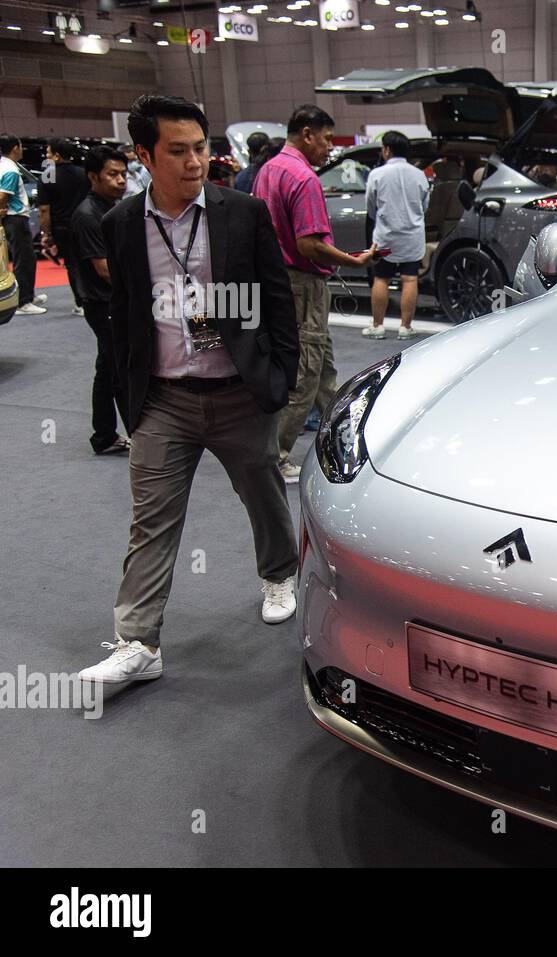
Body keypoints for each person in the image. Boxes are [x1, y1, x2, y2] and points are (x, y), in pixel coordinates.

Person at [76, 94, 300, 688]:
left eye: (200, 147)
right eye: (178, 151)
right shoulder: (121, 225)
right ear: (144, 155)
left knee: (263, 495)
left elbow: (278, 300)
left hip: (239, 392)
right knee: (150, 521)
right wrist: (132, 400)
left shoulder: (242, 213)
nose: (196, 161)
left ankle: (279, 573)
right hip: (164, 400)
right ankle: (138, 642)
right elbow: (125, 314)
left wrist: (279, 380)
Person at [254, 104, 374, 484]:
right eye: (325, 139)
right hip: (302, 285)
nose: (328, 148)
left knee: (322, 368)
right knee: (305, 370)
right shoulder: (302, 178)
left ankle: (345, 434)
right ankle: (275, 455)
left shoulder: (269, 170)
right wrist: (352, 261)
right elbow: (309, 245)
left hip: (277, 280)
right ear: (307, 133)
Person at [69, 146, 130, 456]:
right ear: (94, 176)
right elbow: (104, 269)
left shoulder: (111, 207)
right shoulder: (88, 215)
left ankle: (104, 435)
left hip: (111, 301)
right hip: (102, 303)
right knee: (120, 369)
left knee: (106, 368)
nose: (120, 180)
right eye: (112, 174)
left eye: (123, 174)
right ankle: (138, 434)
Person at [362, 131, 429, 341]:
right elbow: (424, 204)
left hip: (386, 236)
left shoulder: (377, 174)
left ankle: (377, 326)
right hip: (412, 236)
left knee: (381, 278)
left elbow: (370, 207)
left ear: (387, 150)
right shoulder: (419, 174)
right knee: (410, 279)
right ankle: (405, 327)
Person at [38, 138, 90, 316]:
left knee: (73, 265)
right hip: (85, 225)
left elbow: (44, 210)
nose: (47, 156)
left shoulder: (48, 176)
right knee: (90, 262)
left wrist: (46, 233)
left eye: (49, 153)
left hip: (63, 227)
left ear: (57, 156)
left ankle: (81, 303)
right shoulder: (84, 173)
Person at [0, 134, 46, 315]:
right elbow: (3, 197)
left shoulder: (4, 165)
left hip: (15, 218)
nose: (22, 149)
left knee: (28, 258)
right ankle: (22, 302)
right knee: (23, 260)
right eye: (20, 146)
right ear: (14, 148)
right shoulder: (10, 169)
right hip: (16, 219)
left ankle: (29, 295)